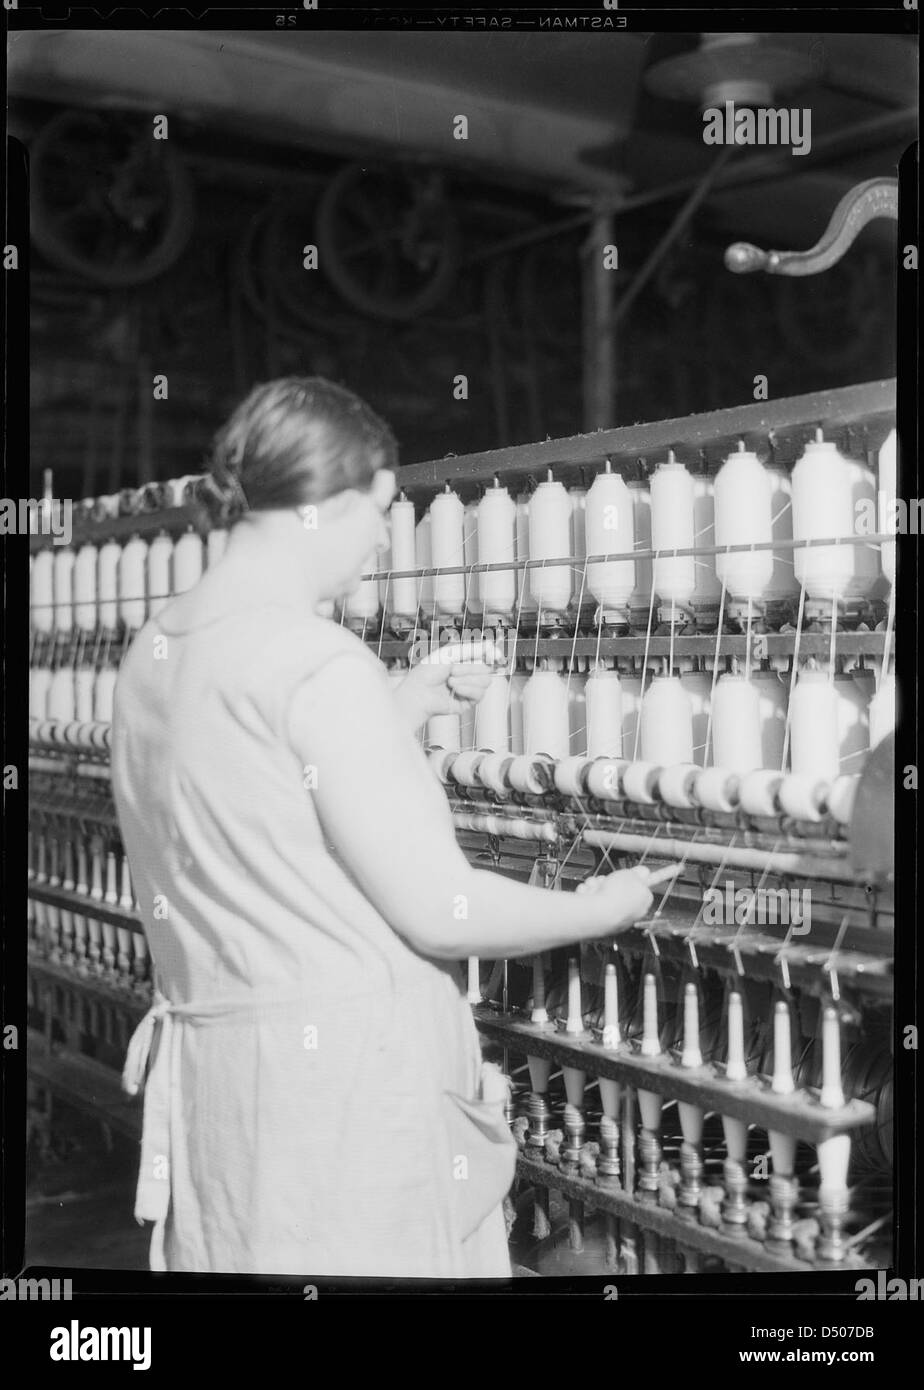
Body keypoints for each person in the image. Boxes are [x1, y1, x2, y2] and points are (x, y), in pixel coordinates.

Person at [111, 376, 654, 1279]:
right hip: (347, 1115)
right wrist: (600, 906)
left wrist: (397, 708)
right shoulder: (318, 661)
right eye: (380, 509)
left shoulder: (157, 649)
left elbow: (252, 798)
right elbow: (441, 910)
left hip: (229, 1106)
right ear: (324, 505)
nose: (381, 540)